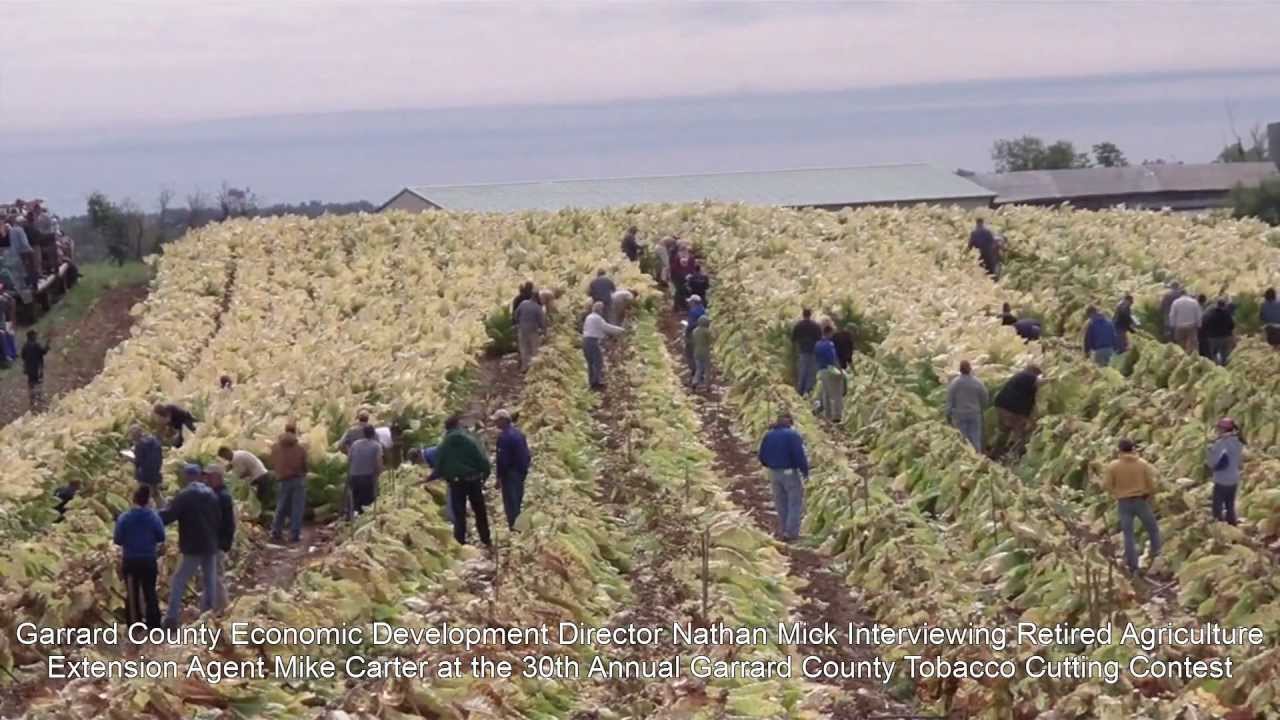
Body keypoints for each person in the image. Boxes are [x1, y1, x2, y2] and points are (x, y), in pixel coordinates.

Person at [160, 464, 221, 628]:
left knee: (179, 580)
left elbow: (169, 516)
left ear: (187, 477)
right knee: (210, 580)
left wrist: (153, 515)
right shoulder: (211, 495)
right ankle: (209, 614)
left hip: (193, 544)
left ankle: (172, 618)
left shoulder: (184, 496)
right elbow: (218, 519)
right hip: (210, 543)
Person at [1101, 439, 1161, 575]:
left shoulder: (1113, 466)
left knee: (1128, 535)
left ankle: (1133, 567)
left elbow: (1106, 485)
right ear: (1133, 449)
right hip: (1141, 500)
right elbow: (1152, 484)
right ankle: (1156, 555)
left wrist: (1116, 493)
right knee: (1153, 529)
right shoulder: (1142, 464)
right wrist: (1151, 496)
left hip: (1124, 502)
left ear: (1119, 450)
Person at [114, 484, 166, 628]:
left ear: (133, 499)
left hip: (130, 560)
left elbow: (117, 539)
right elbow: (161, 536)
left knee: (132, 593)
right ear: (148, 500)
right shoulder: (153, 516)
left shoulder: (125, 517)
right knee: (150, 591)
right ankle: (154, 625)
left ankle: (134, 625)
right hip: (148, 559)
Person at [437, 414, 492, 546]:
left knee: (459, 512)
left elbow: (440, 465)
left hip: (456, 482)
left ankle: (460, 540)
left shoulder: (444, 443)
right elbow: (481, 459)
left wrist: (447, 477)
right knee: (479, 510)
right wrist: (485, 475)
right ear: (457, 425)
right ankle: (485, 538)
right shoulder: (469, 439)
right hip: (473, 479)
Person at [757, 414, 810, 542]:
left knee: (780, 502)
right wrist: (805, 471)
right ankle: (791, 532)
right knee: (794, 502)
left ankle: (784, 529)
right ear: (789, 423)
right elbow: (799, 456)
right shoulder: (792, 435)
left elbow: (761, 455)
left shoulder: (768, 435)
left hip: (773, 472)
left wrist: (769, 464)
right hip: (789, 472)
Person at [269, 423, 309, 543]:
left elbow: (272, 461)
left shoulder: (276, 447)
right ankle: (294, 535)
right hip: (297, 479)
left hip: (282, 480)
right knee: (297, 508)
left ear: (285, 431)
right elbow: (305, 465)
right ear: (295, 432)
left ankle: (276, 532)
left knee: (281, 507)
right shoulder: (300, 448)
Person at [492, 409, 531, 531]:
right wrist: (524, 471)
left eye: (497, 421)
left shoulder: (504, 437)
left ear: (503, 421)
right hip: (520, 472)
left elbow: (502, 460)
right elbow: (527, 455)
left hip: (510, 474)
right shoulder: (519, 434)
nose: (495, 424)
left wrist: (499, 478)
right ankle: (518, 525)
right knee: (518, 499)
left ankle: (514, 528)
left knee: (510, 502)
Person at [204, 465, 234, 612]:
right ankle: (214, 606)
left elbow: (227, 523)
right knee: (212, 575)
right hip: (214, 541)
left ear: (218, 477)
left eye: (210, 477)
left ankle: (223, 607)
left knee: (216, 576)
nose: (206, 479)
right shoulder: (217, 494)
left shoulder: (221, 497)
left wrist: (224, 543)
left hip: (218, 542)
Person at [1206, 418, 1245, 526]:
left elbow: (1212, 463)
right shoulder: (1238, 442)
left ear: (1223, 430)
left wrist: (1209, 450)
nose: (1217, 431)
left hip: (1222, 480)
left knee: (1217, 508)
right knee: (1229, 506)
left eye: (1218, 428)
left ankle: (1220, 529)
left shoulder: (1220, 444)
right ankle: (1233, 526)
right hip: (1234, 480)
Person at [993, 365, 1043, 445]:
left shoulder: (1019, 376)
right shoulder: (1029, 376)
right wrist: (1053, 379)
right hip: (1014, 409)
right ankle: (1014, 451)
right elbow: (1040, 382)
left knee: (1004, 430)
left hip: (1002, 405)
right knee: (1019, 431)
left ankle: (996, 451)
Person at [946, 360, 989, 452]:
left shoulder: (955, 383)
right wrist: (982, 407)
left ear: (960, 370)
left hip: (959, 414)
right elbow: (985, 396)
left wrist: (948, 414)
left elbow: (950, 399)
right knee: (975, 437)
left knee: (963, 438)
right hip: (974, 413)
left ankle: (966, 456)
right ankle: (977, 456)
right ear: (970, 369)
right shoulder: (977, 382)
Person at [582, 301, 624, 390]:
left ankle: (591, 382)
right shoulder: (597, 318)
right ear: (600, 310)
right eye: (602, 310)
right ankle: (597, 383)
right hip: (593, 341)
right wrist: (621, 330)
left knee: (590, 363)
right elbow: (607, 328)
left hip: (585, 341)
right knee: (598, 362)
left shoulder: (589, 317)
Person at [346, 425, 384, 518]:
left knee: (355, 500)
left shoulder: (355, 444)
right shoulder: (376, 446)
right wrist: (379, 474)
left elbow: (349, 459)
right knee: (367, 503)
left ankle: (353, 519)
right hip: (367, 477)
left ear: (363, 433)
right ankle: (362, 520)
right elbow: (378, 462)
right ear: (373, 434)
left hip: (354, 475)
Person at [129, 425, 164, 503]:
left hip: (146, 475)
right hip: (156, 471)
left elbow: (138, 462)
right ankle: (163, 508)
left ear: (134, 436)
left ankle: (150, 510)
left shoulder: (140, 445)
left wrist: (130, 460)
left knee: (146, 496)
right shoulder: (154, 439)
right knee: (156, 493)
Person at [791, 308, 822, 396]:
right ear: (810, 315)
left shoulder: (798, 325)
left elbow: (793, 340)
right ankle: (808, 391)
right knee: (811, 373)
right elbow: (820, 339)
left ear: (803, 314)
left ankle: (800, 391)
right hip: (813, 351)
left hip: (802, 351)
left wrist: (794, 353)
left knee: (802, 371)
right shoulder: (815, 326)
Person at [1202, 297, 1235, 366]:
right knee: (1225, 354)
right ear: (1224, 305)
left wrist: (1208, 333)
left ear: (1217, 305)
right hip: (1225, 337)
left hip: (1213, 338)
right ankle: (1225, 367)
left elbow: (1206, 324)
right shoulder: (1227, 314)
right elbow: (1232, 325)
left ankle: (1216, 366)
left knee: (1213, 354)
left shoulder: (1211, 314)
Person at [21, 330, 49, 409]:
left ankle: (32, 401)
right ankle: (39, 399)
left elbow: (22, 356)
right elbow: (43, 352)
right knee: (38, 384)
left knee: (31, 384)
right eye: (35, 335)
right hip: (37, 368)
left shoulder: (25, 346)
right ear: (32, 336)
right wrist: (47, 345)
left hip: (29, 369)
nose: (36, 336)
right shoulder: (36, 345)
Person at [1168, 290, 1201, 355]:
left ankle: (1182, 358)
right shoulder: (1194, 302)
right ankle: (1192, 358)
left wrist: (1172, 325)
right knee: (1192, 344)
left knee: (1180, 345)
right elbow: (1198, 314)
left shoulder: (1176, 302)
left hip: (1179, 326)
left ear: (1180, 294)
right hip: (1191, 326)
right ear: (1187, 294)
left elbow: (1172, 315)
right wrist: (1199, 325)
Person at [670, 242, 697, 310]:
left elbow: (692, 267)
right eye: (682, 250)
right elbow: (675, 268)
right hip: (678, 276)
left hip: (685, 276)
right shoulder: (677, 257)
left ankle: (683, 305)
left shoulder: (690, 258)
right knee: (679, 290)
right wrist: (684, 275)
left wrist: (690, 275)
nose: (684, 252)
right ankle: (677, 307)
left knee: (684, 291)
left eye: (685, 250)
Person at [690, 315, 713, 389]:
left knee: (699, 368)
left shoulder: (695, 331)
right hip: (705, 352)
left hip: (696, 351)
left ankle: (695, 381)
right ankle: (707, 386)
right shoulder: (707, 331)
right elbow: (710, 341)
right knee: (707, 369)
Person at [684, 295, 706, 372]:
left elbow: (690, 325)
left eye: (690, 302)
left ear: (693, 302)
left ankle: (694, 371)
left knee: (690, 353)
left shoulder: (693, 311)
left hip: (692, 335)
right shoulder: (703, 310)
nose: (689, 304)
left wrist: (686, 332)